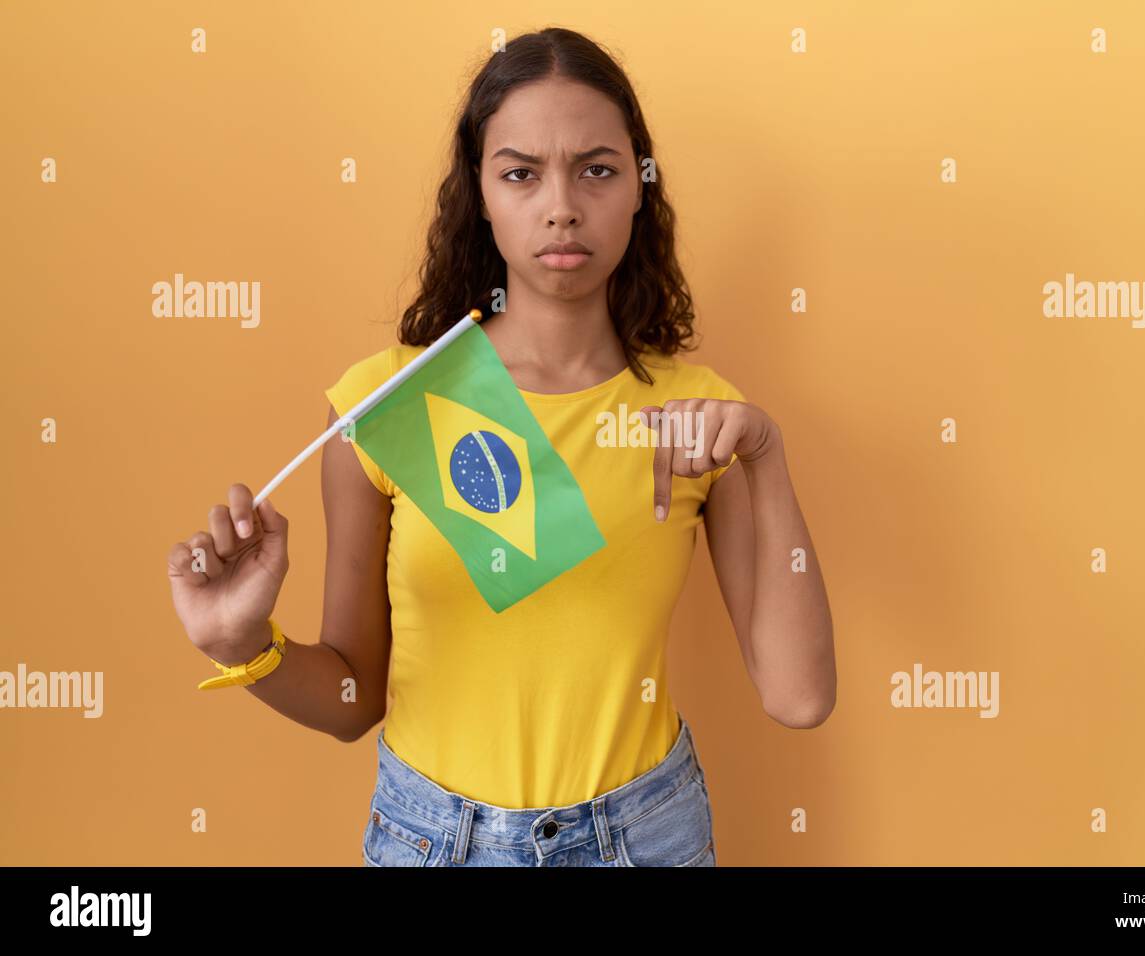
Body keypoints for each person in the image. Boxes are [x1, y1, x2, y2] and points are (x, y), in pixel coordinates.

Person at [166, 27, 835, 867]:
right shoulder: (392, 404)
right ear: (480, 193)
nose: (561, 206)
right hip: (433, 840)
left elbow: (800, 697)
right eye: (521, 173)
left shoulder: (699, 419)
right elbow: (350, 699)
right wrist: (244, 647)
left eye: (597, 169)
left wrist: (765, 455)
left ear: (640, 187)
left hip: (644, 837)